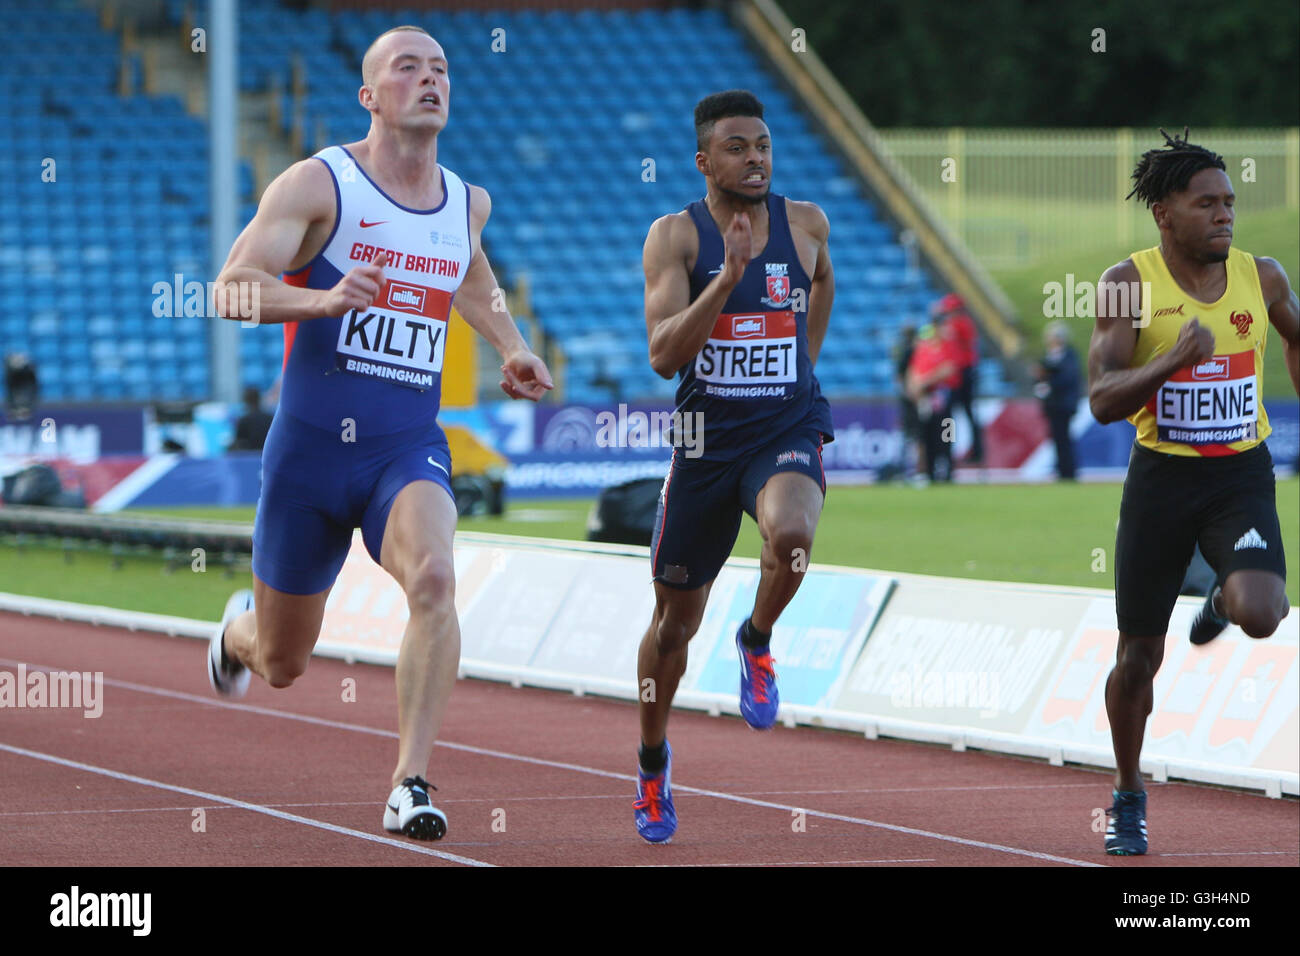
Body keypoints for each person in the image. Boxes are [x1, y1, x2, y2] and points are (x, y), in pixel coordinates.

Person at [207, 25, 553, 841]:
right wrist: (319, 301)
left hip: (405, 448)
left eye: (440, 68)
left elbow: (471, 274)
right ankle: (236, 632)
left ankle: (410, 783)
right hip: (308, 458)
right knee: (285, 664)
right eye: (408, 68)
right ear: (369, 96)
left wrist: (513, 345)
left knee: (435, 577)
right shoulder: (319, 185)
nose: (430, 79)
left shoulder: (467, 202)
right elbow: (229, 291)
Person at [1088, 128, 1298, 856]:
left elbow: (1296, 334)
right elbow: (1102, 399)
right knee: (1136, 659)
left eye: (1230, 203)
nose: (1224, 216)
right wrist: (1172, 360)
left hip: (1240, 472)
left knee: (1263, 612)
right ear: (1164, 213)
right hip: (1161, 480)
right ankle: (1127, 792)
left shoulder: (1262, 277)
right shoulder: (1127, 283)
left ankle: (1219, 595)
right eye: (1206, 203)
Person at [634, 90, 834, 843]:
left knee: (791, 537)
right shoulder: (675, 237)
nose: (756, 158)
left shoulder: (806, 223)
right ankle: (652, 765)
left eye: (764, 146)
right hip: (703, 441)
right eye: (738, 147)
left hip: (785, 426)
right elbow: (662, 357)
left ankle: (756, 637)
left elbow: (822, 284)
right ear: (704, 161)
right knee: (672, 627)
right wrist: (726, 280)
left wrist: (803, 365)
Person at [905, 323, 960, 482]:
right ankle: (929, 471)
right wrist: (915, 387)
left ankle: (947, 470)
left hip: (943, 397)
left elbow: (948, 369)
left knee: (946, 435)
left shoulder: (947, 348)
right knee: (926, 435)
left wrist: (925, 381)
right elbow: (914, 372)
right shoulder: (922, 351)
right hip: (926, 399)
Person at [934, 293, 983, 463]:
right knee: (958, 414)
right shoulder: (963, 323)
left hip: (962, 373)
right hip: (961, 372)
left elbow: (947, 335)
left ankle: (955, 448)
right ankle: (960, 448)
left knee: (953, 414)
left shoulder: (960, 324)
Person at [1034, 320, 1081, 480]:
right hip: (1052, 405)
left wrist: (1050, 383)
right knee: (1056, 438)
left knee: (1064, 438)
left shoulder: (1069, 355)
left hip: (1064, 404)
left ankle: (1068, 472)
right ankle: (1061, 470)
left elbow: (1069, 378)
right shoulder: (1049, 356)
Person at [228, 384, 273, 452]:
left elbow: (238, 443)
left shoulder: (244, 420)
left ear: (246, 401)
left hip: (250, 458)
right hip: (267, 456)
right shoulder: (270, 418)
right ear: (259, 399)